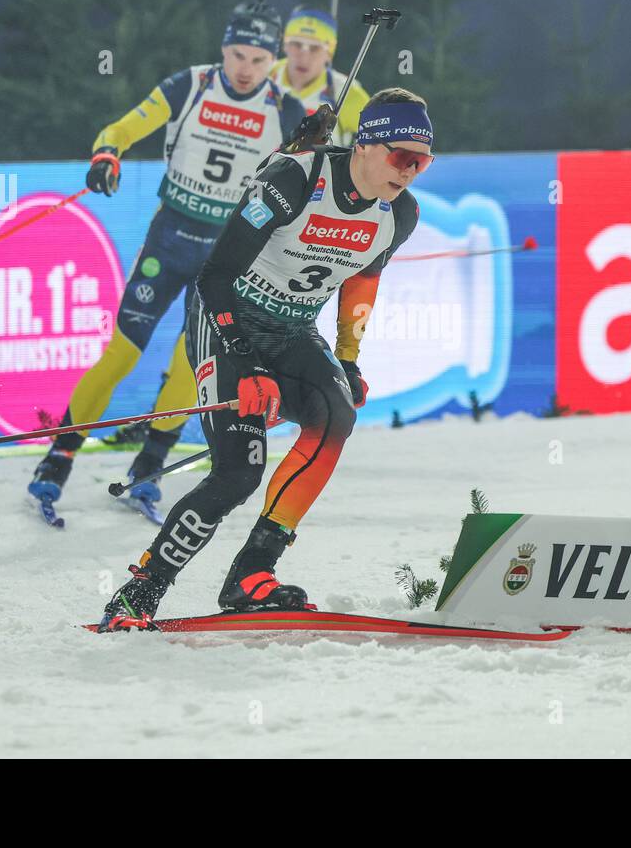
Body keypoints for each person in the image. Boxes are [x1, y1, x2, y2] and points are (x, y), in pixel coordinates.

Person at [98, 88, 435, 629]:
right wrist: (246, 363)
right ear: (369, 145)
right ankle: (140, 592)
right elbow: (215, 278)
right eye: (403, 157)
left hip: (292, 329)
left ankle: (252, 572)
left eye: (423, 161)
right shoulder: (296, 180)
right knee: (238, 473)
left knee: (336, 418)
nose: (412, 171)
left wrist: (348, 361)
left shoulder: (402, 214)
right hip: (224, 319)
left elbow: (363, 281)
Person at [28, 2, 307, 521]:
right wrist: (106, 155)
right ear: (223, 49)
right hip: (170, 241)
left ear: (273, 61)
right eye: (237, 54)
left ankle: (148, 468)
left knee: (189, 364)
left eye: (257, 58)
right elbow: (120, 128)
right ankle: (56, 460)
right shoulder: (191, 85)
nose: (245, 67)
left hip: (227, 258)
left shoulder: (286, 111)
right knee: (120, 354)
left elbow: (319, 175)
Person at [270, 6, 370, 147]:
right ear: (284, 45)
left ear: (329, 53)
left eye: (315, 48)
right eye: (296, 44)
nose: (304, 56)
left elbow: (380, 144)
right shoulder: (263, 75)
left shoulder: (347, 93)